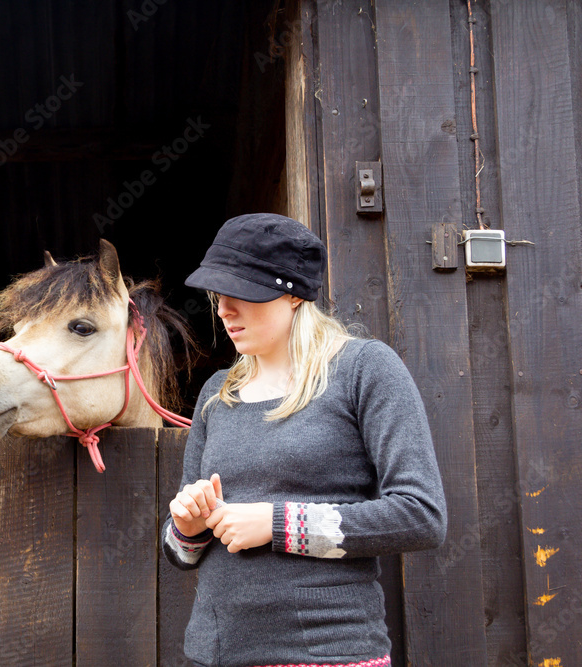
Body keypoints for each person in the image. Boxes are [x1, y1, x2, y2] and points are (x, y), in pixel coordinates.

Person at [162, 213, 447, 667]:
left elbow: (421, 515)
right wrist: (187, 526)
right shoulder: (217, 393)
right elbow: (180, 553)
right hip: (214, 653)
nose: (223, 310)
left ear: (293, 294)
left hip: (327, 652)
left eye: (241, 293)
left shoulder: (363, 370)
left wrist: (279, 525)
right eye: (218, 294)